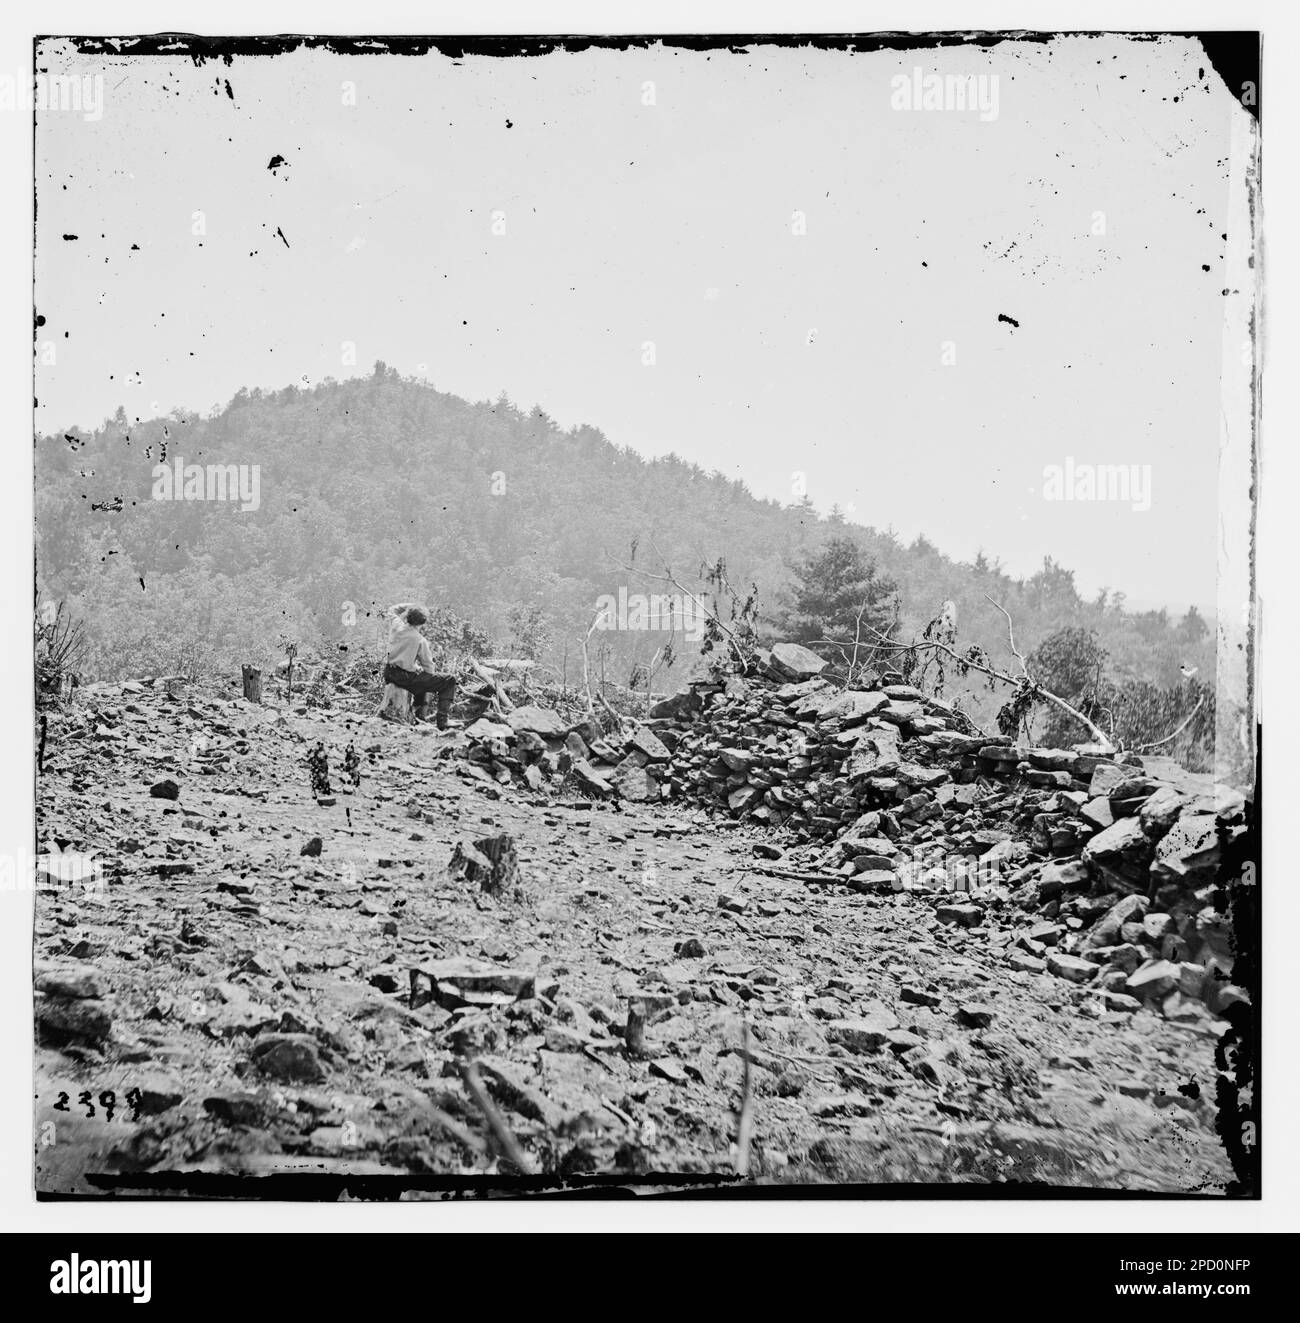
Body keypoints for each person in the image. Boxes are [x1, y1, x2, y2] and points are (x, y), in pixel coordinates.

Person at [382, 603, 457, 729]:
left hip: (389, 673)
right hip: (404, 679)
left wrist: (411, 605)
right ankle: (442, 721)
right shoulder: (419, 639)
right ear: (422, 622)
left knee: (420, 677)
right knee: (449, 680)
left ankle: (418, 715)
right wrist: (416, 668)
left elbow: (391, 609)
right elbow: (429, 668)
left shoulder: (396, 625)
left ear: (407, 616)